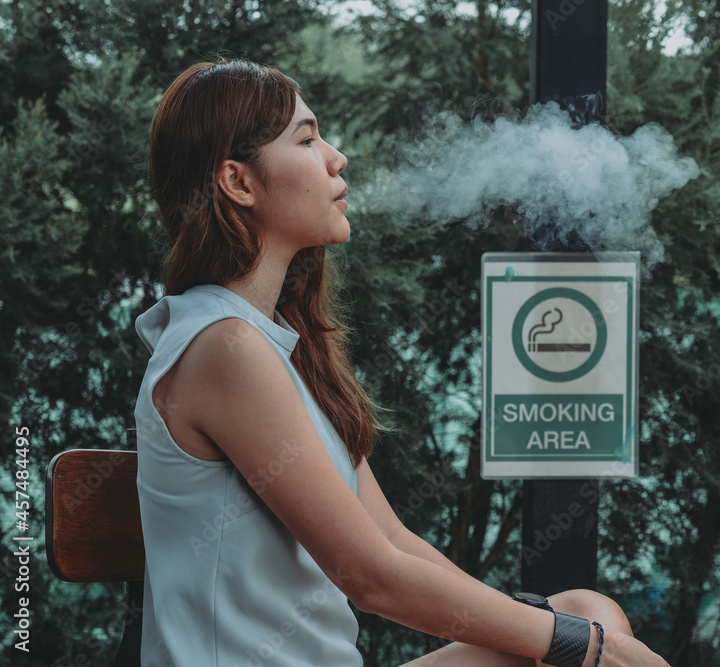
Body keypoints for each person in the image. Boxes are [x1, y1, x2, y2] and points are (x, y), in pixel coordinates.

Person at [134, 58, 671, 667]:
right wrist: (581, 650)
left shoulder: (279, 344)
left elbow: (391, 540)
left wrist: (561, 636)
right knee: (586, 636)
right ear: (239, 182)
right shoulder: (224, 348)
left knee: (585, 610)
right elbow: (371, 577)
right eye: (307, 140)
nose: (337, 158)